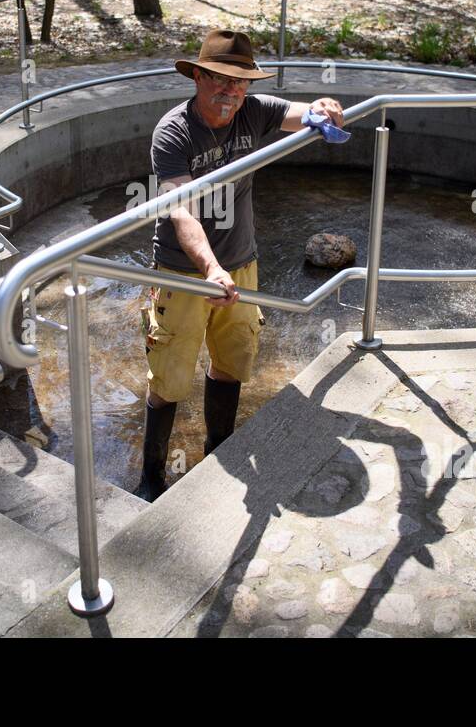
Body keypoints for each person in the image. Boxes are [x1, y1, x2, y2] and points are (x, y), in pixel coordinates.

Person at [135, 27, 344, 501]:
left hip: (241, 261)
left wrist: (323, 105)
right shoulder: (173, 132)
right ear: (198, 77)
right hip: (183, 271)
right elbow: (180, 209)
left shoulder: (254, 110)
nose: (231, 90)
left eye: (240, 80)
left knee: (230, 364)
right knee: (168, 378)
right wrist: (209, 267)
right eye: (221, 79)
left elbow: (300, 113)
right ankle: (151, 475)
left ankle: (219, 451)